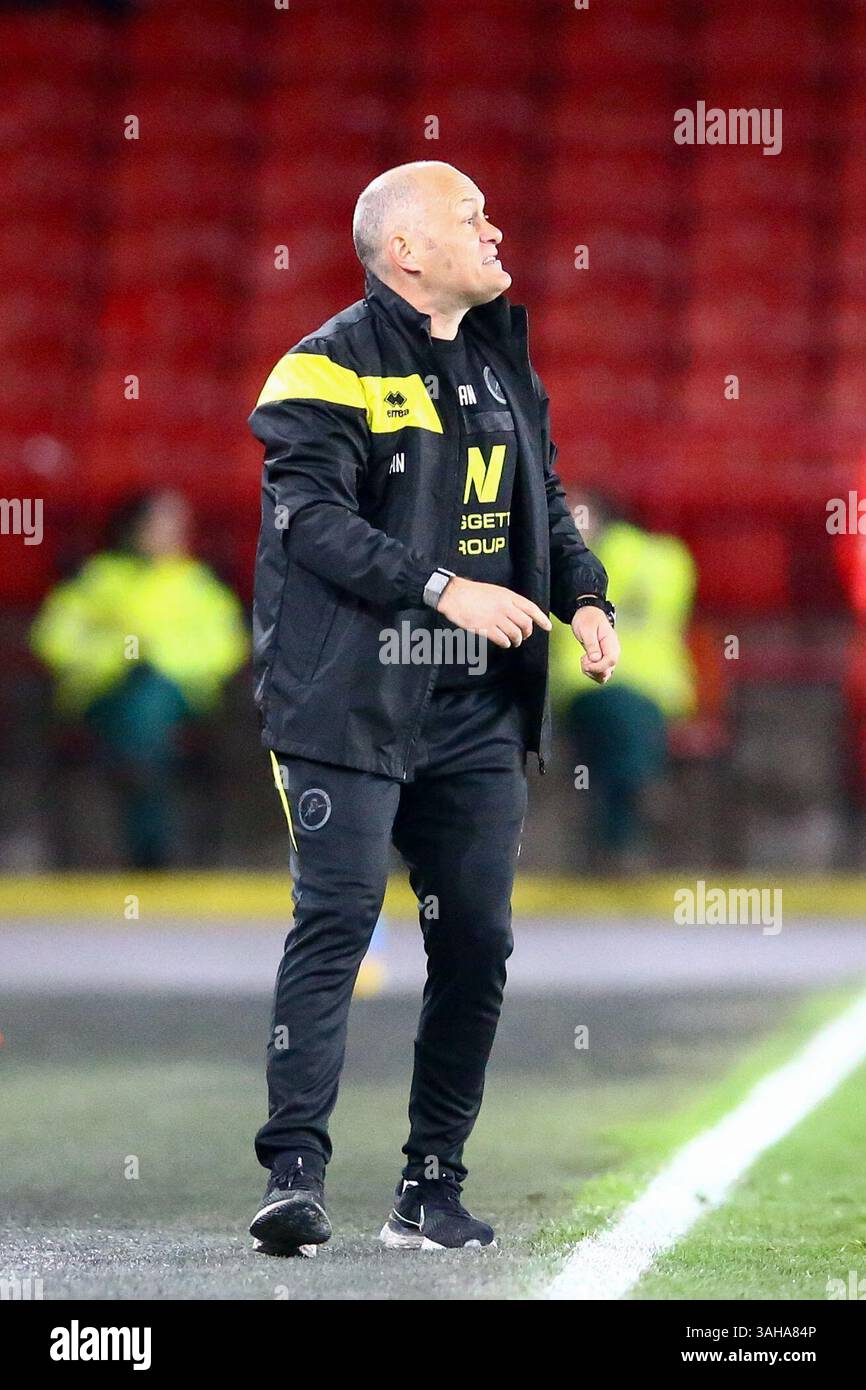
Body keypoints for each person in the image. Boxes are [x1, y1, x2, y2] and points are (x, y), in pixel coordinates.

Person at [248, 160, 619, 1256]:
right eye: (471, 216)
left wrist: (582, 594)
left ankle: (429, 1184)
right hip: (347, 702)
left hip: (473, 714)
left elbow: (540, 499)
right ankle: (294, 1173)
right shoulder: (318, 369)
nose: (495, 228)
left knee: (477, 943)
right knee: (338, 918)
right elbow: (310, 520)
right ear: (404, 249)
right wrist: (444, 587)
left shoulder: (504, 358)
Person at [30, 489, 249, 868]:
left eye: (177, 525)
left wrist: (158, 657)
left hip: (178, 700)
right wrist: (117, 655)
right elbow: (52, 639)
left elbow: (227, 646)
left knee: (147, 705)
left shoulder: (197, 583)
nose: (172, 533)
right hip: (104, 695)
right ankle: (150, 847)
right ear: (133, 528)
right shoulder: (98, 579)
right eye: (161, 524)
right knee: (139, 711)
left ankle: (138, 781)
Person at [550, 494, 696, 870]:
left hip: (601, 689)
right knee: (624, 727)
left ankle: (619, 834)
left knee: (621, 726)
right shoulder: (669, 558)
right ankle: (637, 794)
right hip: (635, 694)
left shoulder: (595, 559)